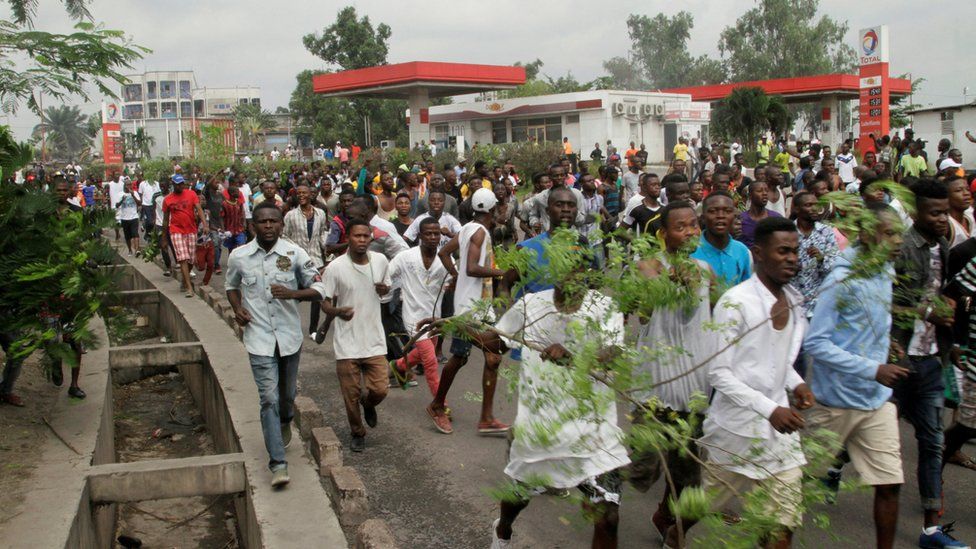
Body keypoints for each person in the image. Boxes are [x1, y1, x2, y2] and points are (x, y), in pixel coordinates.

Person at [487, 242, 630, 549]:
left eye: (577, 265)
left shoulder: (605, 308)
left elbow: (614, 351)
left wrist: (578, 356)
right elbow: (498, 341)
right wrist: (451, 326)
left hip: (595, 430)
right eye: (562, 265)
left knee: (608, 517)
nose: (569, 273)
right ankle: (503, 530)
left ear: (587, 271)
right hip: (541, 429)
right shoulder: (531, 306)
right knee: (518, 498)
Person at [690, 217, 814, 548]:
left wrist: (797, 384)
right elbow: (719, 373)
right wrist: (768, 408)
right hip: (735, 432)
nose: (791, 258)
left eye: (795, 252)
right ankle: (673, 529)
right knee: (702, 505)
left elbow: (779, 360)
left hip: (779, 437)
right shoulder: (735, 303)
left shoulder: (797, 302)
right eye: (783, 251)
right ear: (758, 253)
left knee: (780, 527)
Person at [803, 202, 909, 549]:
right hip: (833, 403)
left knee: (889, 484)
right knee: (793, 484)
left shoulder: (885, 271)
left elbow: (869, 323)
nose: (897, 241)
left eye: (899, 233)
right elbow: (815, 342)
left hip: (875, 403)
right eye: (890, 233)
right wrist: (872, 368)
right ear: (865, 234)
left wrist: (887, 344)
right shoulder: (841, 279)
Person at [891, 178, 970, 548]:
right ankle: (831, 468)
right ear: (914, 211)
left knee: (933, 442)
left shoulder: (942, 244)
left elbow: (943, 298)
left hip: (930, 359)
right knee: (870, 435)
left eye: (944, 212)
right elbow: (887, 304)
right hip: (898, 358)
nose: (942, 219)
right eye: (934, 212)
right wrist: (927, 312)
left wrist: (948, 341)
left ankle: (931, 530)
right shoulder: (902, 248)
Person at [631, 201, 716, 547]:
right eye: (680, 227)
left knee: (688, 475)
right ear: (664, 235)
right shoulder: (646, 265)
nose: (690, 232)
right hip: (656, 384)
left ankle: (671, 528)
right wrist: (669, 278)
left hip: (695, 387)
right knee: (642, 468)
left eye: (694, 225)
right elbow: (647, 306)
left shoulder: (705, 269)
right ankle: (597, 491)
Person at [226, 202, 327, 488]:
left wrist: (293, 293)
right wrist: (237, 308)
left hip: (289, 338)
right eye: (262, 221)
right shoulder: (239, 257)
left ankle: (286, 420)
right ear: (252, 226)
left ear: (281, 225)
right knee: (268, 398)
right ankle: (278, 464)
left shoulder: (295, 254)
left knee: (286, 396)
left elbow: (319, 289)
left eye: (273, 221)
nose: (268, 226)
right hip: (258, 339)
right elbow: (231, 286)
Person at [429, 188, 509, 435]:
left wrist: (456, 276)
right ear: (493, 210)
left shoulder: (467, 229)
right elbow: (473, 268)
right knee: (492, 353)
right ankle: (437, 405)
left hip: (478, 306)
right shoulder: (480, 232)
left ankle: (484, 417)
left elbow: (444, 253)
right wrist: (502, 272)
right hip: (470, 310)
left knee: (468, 357)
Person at [319, 220, 391, 452]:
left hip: (374, 339)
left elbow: (386, 289)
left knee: (380, 389)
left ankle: (369, 404)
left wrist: (385, 290)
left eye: (365, 236)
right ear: (348, 238)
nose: (361, 240)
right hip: (347, 342)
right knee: (350, 395)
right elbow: (325, 303)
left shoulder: (380, 261)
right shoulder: (335, 267)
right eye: (356, 236)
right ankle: (357, 431)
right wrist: (338, 311)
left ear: (370, 238)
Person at [388, 217, 449, 397]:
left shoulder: (445, 258)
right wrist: (385, 288)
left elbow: (455, 280)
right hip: (413, 318)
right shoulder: (406, 257)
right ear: (420, 235)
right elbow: (388, 274)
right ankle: (439, 406)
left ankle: (398, 366)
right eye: (428, 233)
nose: (432, 237)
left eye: (436, 233)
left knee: (420, 355)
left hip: (434, 318)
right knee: (430, 361)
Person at [282, 184, 329, 339]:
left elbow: (322, 232)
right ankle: (288, 325)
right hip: (297, 261)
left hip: (316, 259)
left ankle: (313, 330)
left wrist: (327, 247)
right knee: (295, 294)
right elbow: (284, 235)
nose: (301, 195)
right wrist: (296, 250)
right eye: (299, 193)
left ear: (311, 195)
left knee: (316, 294)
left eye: (304, 193)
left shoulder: (320, 213)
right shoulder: (290, 215)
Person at [691, 191, 752, 288]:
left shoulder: (742, 251)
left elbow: (747, 290)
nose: (720, 216)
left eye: (727, 211)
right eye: (713, 211)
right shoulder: (691, 250)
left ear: (734, 216)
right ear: (703, 217)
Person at [792, 191, 839, 316]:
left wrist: (821, 259)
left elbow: (835, 266)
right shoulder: (788, 232)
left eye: (816, 205)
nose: (814, 209)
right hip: (793, 303)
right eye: (808, 205)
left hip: (820, 304)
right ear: (797, 209)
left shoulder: (826, 232)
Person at [162, 174, 208, 298]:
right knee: (182, 258)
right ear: (173, 185)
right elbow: (165, 220)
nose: (180, 186)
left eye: (181, 183)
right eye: (177, 184)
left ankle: (184, 280)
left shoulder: (191, 194)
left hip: (191, 230)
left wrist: (205, 224)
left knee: (192, 259)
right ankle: (189, 287)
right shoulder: (167, 200)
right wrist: (164, 238)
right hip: (176, 231)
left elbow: (199, 209)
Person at [738, 180, 783, 248]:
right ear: (750, 195)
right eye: (759, 191)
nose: (764, 193)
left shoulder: (776, 218)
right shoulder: (741, 219)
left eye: (766, 191)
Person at [946, 176, 974, 248]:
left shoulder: (970, 218)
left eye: (967, 189)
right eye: (959, 190)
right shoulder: (946, 225)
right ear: (946, 196)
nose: (966, 193)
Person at [116, 181, 141, 256]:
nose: (129, 186)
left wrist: (133, 195)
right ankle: (130, 250)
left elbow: (139, 203)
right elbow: (117, 205)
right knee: (127, 236)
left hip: (134, 217)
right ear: (124, 186)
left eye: (130, 185)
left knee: (135, 234)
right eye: (127, 185)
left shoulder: (135, 193)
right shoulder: (120, 194)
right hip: (124, 218)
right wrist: (122, 200)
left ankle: (137, 250)